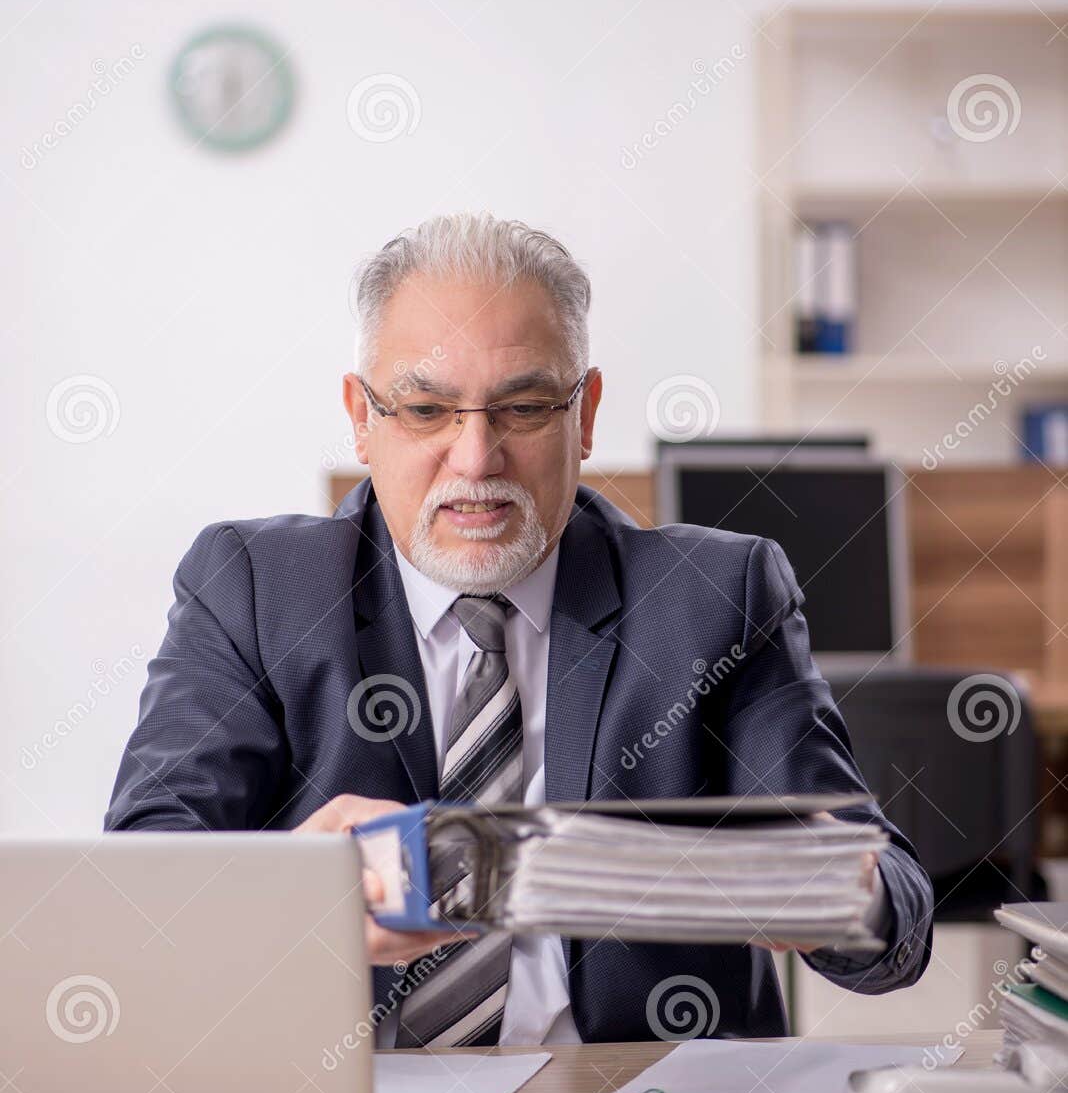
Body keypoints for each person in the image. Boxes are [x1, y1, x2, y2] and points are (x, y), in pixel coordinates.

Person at [106, 212, 933, 1045]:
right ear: (361, 417)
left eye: (525, 407)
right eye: (427, 408)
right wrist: (289, 895)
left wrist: (836, 892)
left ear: (585, 414)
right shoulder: (253, 588)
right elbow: (141, 881)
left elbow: (896, 913)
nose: (475, 459)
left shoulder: (719, 597)